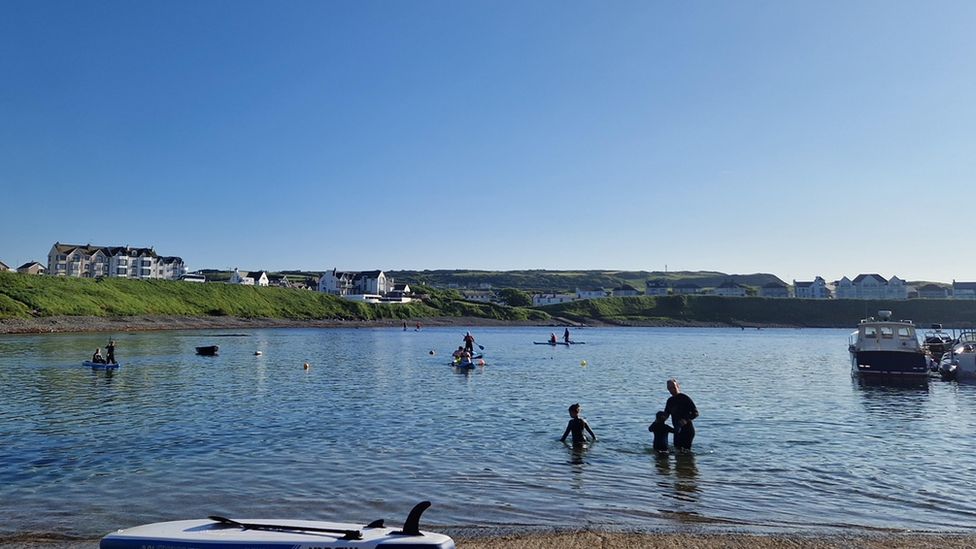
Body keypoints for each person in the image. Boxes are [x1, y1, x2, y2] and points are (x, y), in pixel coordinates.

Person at [663, 378, 699, 451]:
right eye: (670, 388)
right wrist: (659, 421)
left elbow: (696, 413)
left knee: (686, 452)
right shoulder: (670, 401)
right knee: (677, 451)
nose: (672, 390)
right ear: (668, 389)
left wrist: (685, 420)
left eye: (674, 387)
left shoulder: (684, 398)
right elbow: (666, 414)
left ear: (678, 386)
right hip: (677, 430)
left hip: (687, 430)